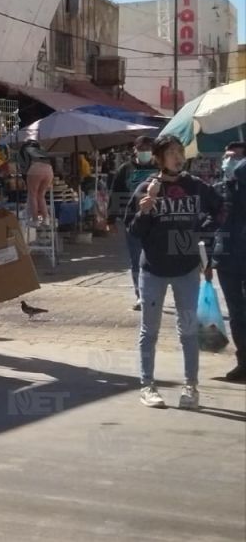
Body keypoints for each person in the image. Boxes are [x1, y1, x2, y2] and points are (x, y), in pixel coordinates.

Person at [125, 135, 222, 409]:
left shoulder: (195, 186)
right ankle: (148, 386)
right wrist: (145, 210)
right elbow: (132, 231)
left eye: (180, 151)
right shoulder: (146, 188)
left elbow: (220, 207)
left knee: (188, 331)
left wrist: (203, 229)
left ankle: (190, 386)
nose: (178, 156)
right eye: (171, 152)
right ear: (159, 158)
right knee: (149, 331)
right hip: (153, 271)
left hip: (186, 269)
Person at [110, 135, 159, 310]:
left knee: (156, 257)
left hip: (157, 221)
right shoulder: (125, 169)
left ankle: (154, 292)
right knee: (136, 258)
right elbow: (115, 194)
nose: (145, 151)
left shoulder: (159, 168)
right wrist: (111, 219)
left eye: (148, 148)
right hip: (133, 220)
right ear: (135, 149)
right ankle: (141, 295)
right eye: (142, 148)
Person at [213, 141, 246, 383]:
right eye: (226, 156)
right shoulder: (220, 188)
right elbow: (208, 222)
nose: (228, 160)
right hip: (226, 260)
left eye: (234, 157)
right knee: (236, 314)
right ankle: (243, 362)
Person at [19, 139, 54, 224]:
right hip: (49, 170)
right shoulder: (41, 150)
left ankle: (35, 220)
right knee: (41, 196)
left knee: (33, 195)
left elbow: (24, 166)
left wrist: (25, 179)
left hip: (35, 169)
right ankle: (46, 218)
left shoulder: (24, 150)